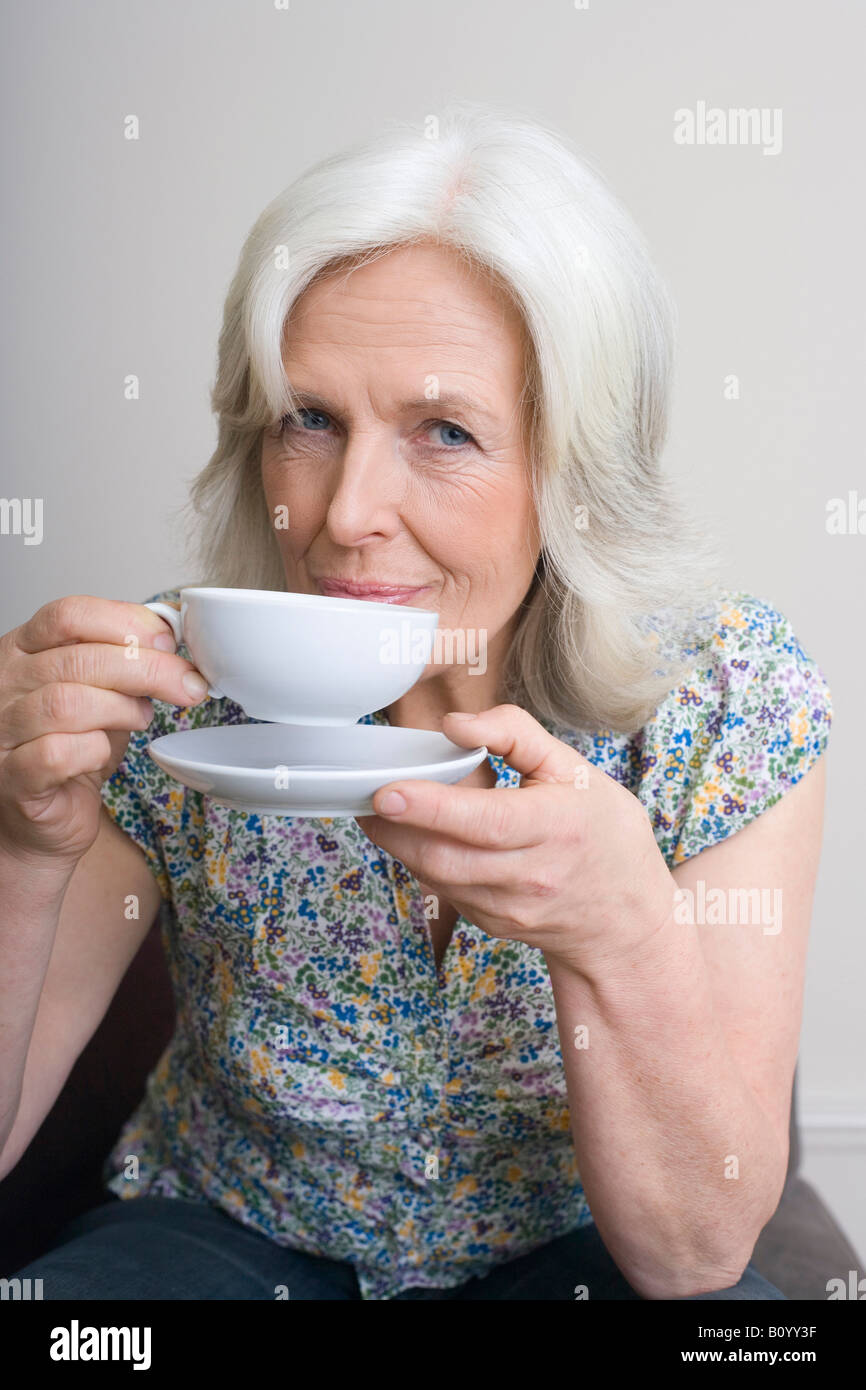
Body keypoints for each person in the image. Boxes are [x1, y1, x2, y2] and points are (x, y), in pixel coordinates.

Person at [0, 103, 830, 1300]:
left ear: (574, 471)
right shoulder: (161, 695)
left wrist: (621, 934)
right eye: (311, 420)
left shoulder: (728, 700)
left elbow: (693, 1251)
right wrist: (23, 845)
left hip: (572, 1254)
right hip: (231, 1235)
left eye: (443, 431)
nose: (344, 514)